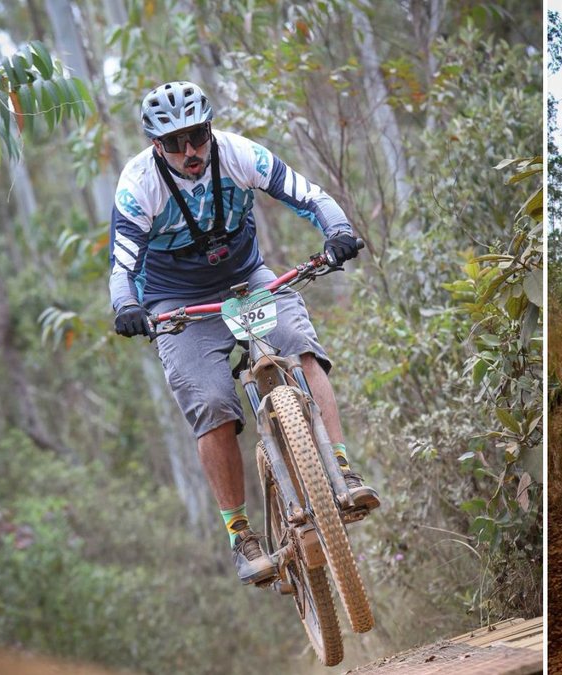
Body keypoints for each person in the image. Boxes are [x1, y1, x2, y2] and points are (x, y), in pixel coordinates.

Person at [109, 81, 380, 585]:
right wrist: (126, 305)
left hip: (248, 282)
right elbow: (121, 264)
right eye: (175, 142)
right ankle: (241, 534)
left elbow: (309, 195)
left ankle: (341, 471)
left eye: (197, 135)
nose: (190, 151)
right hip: (178, 303)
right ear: (155, 146)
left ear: (210, 129)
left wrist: (337, 230)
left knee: (301, 350)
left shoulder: (237, 154)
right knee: (211, 404)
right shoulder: (137, 185)